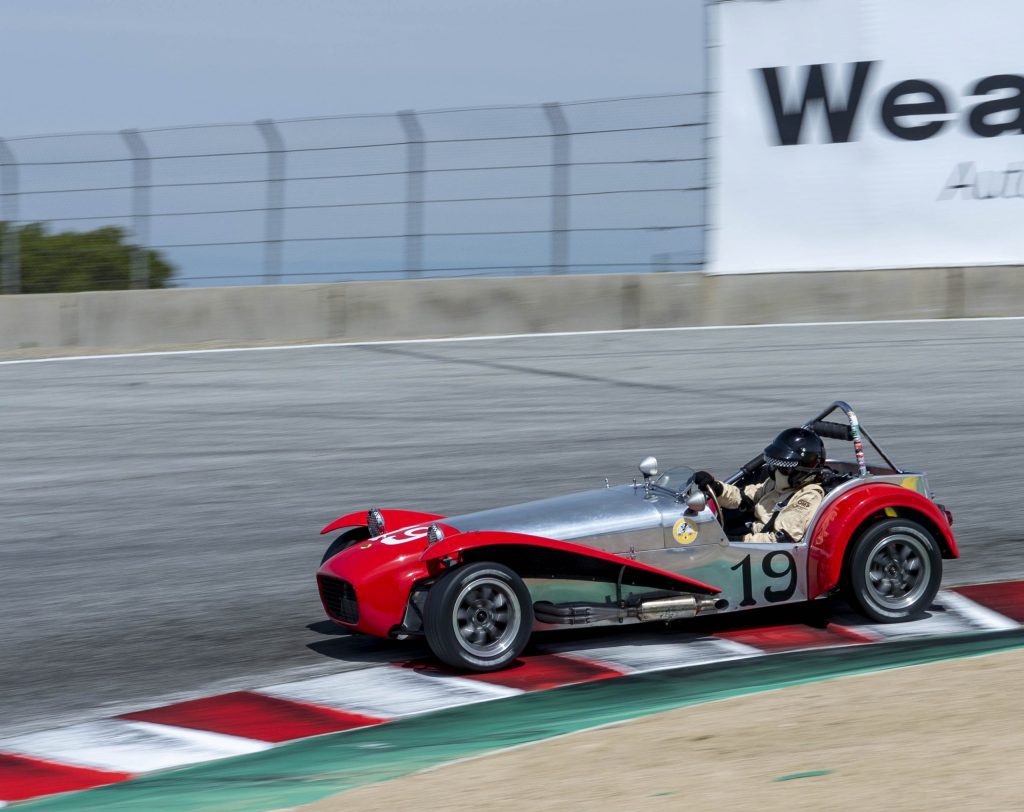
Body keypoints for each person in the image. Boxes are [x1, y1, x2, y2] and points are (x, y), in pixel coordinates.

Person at [693, 427, 826, 543]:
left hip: (764, 548)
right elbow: (743, 497)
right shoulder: (775, 484)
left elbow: (780, 540)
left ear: (802, 471)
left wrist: (737, 541)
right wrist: (717, 488)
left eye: (783, 467)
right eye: (774, 465)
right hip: (751, 532)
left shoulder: (809, 497)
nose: (776, 472)